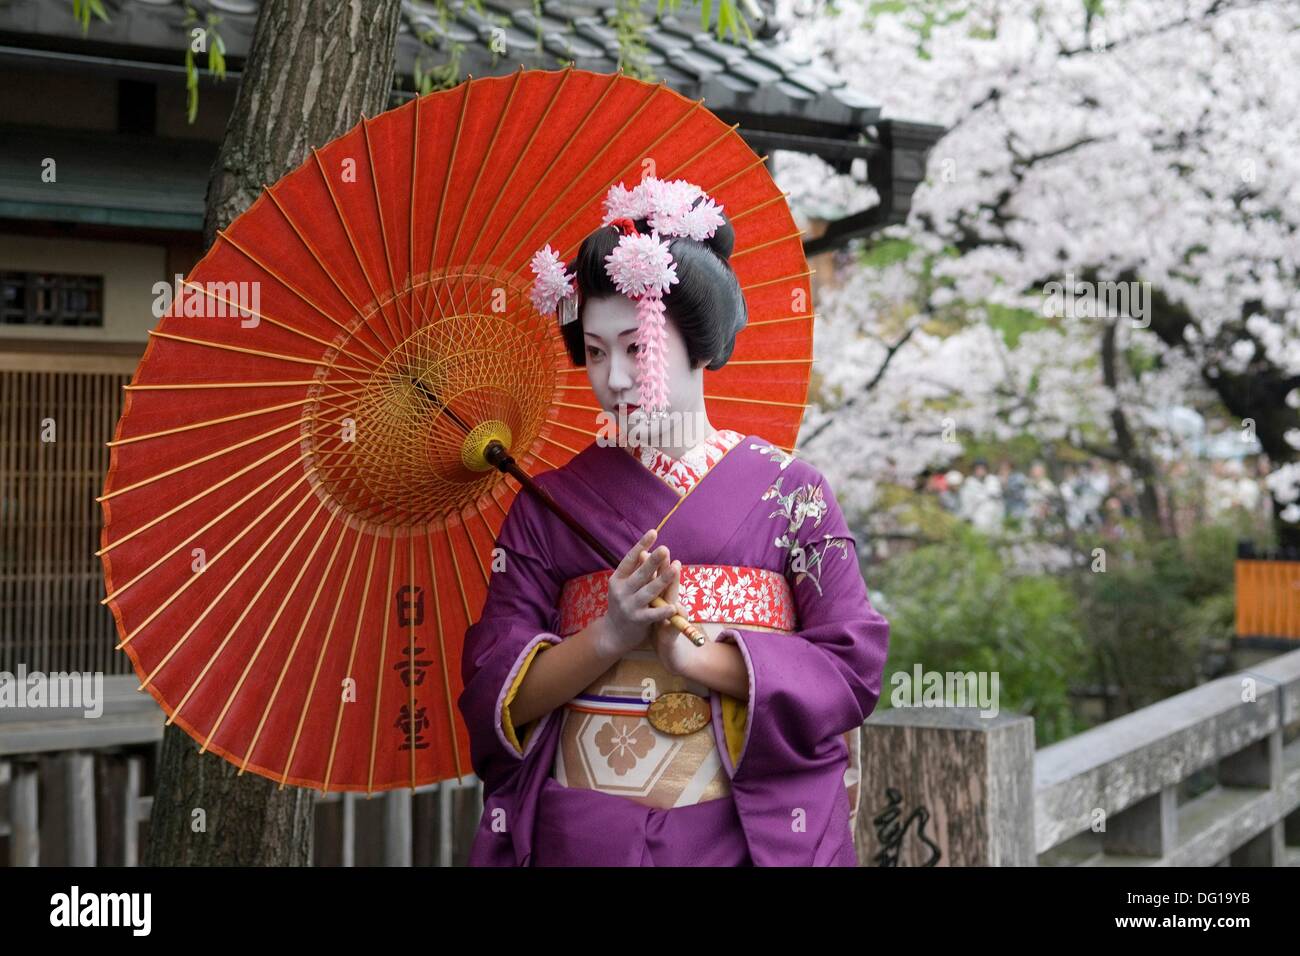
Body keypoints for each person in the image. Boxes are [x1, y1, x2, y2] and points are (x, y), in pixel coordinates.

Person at [457, 176, 890, 866]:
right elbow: (492, 691)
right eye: (595, 352)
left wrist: (705, 660)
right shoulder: (547, 505)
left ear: (700, 343)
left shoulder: (794, 494)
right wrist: (608, 637)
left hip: (741, 829)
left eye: (637, 348)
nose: (614, 379)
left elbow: (852, 666)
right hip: (587, 830)